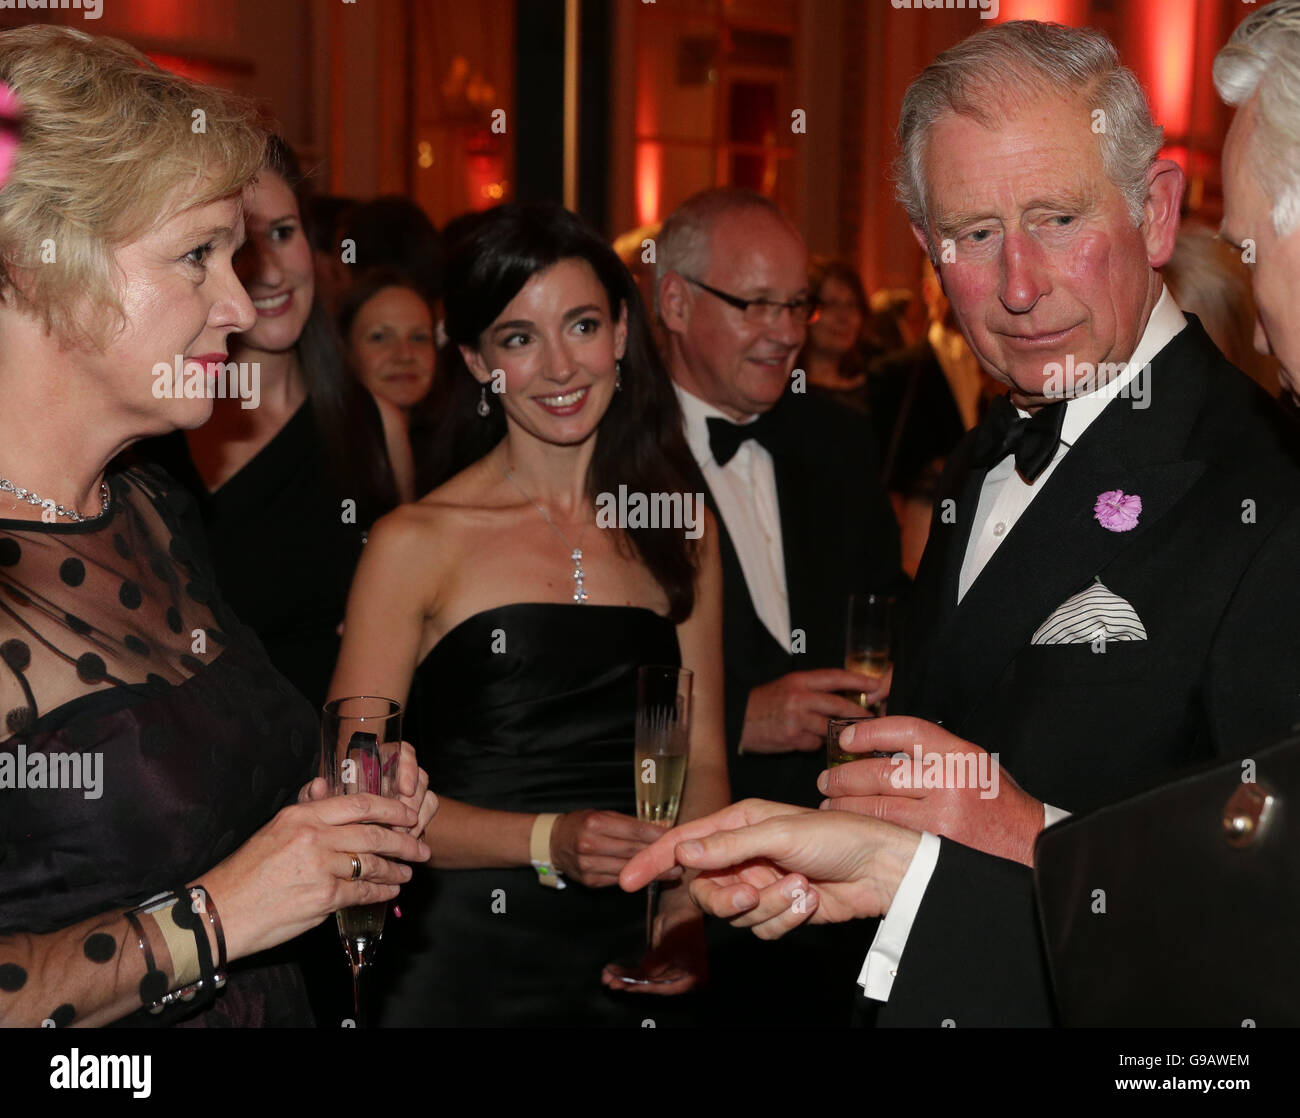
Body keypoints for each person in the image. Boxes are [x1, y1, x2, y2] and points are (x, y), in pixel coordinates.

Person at [0, 25, 435, 1028]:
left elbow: (196, 808)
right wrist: (219, 915)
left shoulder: (150, 508)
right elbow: (216, 894)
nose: (239, 302)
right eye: (196, 254)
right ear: (34, 262)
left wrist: (327, 812)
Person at [328, 202, 730, 1027]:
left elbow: (705, 764)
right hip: (465, 964)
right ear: (476, 361)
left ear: (622, 332)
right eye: (519, 339)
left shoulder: (681, 528)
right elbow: (351, 789)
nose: (558, 367)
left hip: (632, 949)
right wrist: (547, 839)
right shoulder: (416, 541)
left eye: (581, 325)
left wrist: (687, 907)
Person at [654, 187, 905, 1025]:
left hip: (839, 883)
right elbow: (551, 693)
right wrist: (736, 718)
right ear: (675, 301)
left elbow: (887, 614)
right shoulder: (606, 456)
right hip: (676, 885)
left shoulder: (839, 439)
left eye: (797, 304)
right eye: (756, 303)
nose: (790, 331)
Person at [135, 137, 399, 713]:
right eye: (241, 247)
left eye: (284, 233)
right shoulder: (150, 430)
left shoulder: (374, 423)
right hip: (191, 773)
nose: (272, 270)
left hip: (342, 765)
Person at [337, 269, 438, 503]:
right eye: (380, 337)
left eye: (419, 338)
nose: (404, 355)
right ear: (346, 352)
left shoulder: (457, 460)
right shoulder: (330, 461)